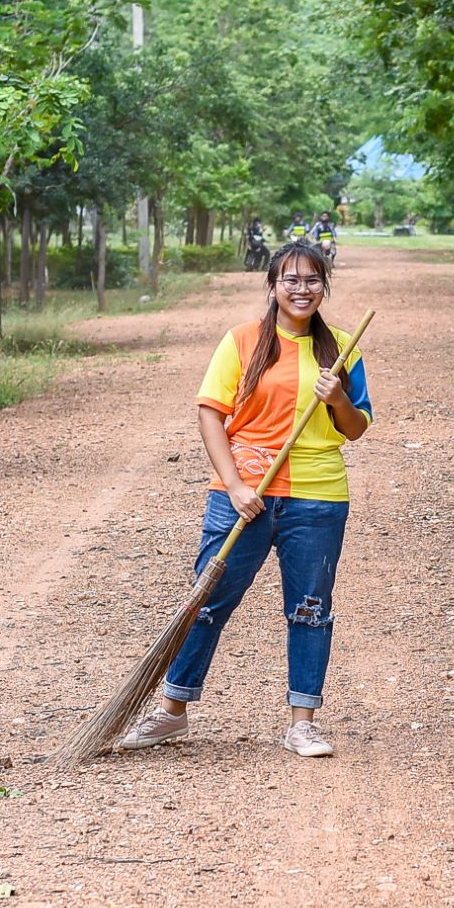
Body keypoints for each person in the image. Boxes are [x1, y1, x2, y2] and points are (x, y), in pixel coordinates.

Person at [119, 241, 372, 757]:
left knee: (310, 608)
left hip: (318, 498)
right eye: (291, 280)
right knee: (206, 601)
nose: (302, 290)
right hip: (243, 496)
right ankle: (172, 712)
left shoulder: (343, 347)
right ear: (273, 286)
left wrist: (337, 398)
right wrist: (233, 484)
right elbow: (210, 413)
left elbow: (356, 428)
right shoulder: (242, 341)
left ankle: (302, 722)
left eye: (312, 280)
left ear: (325, 285)